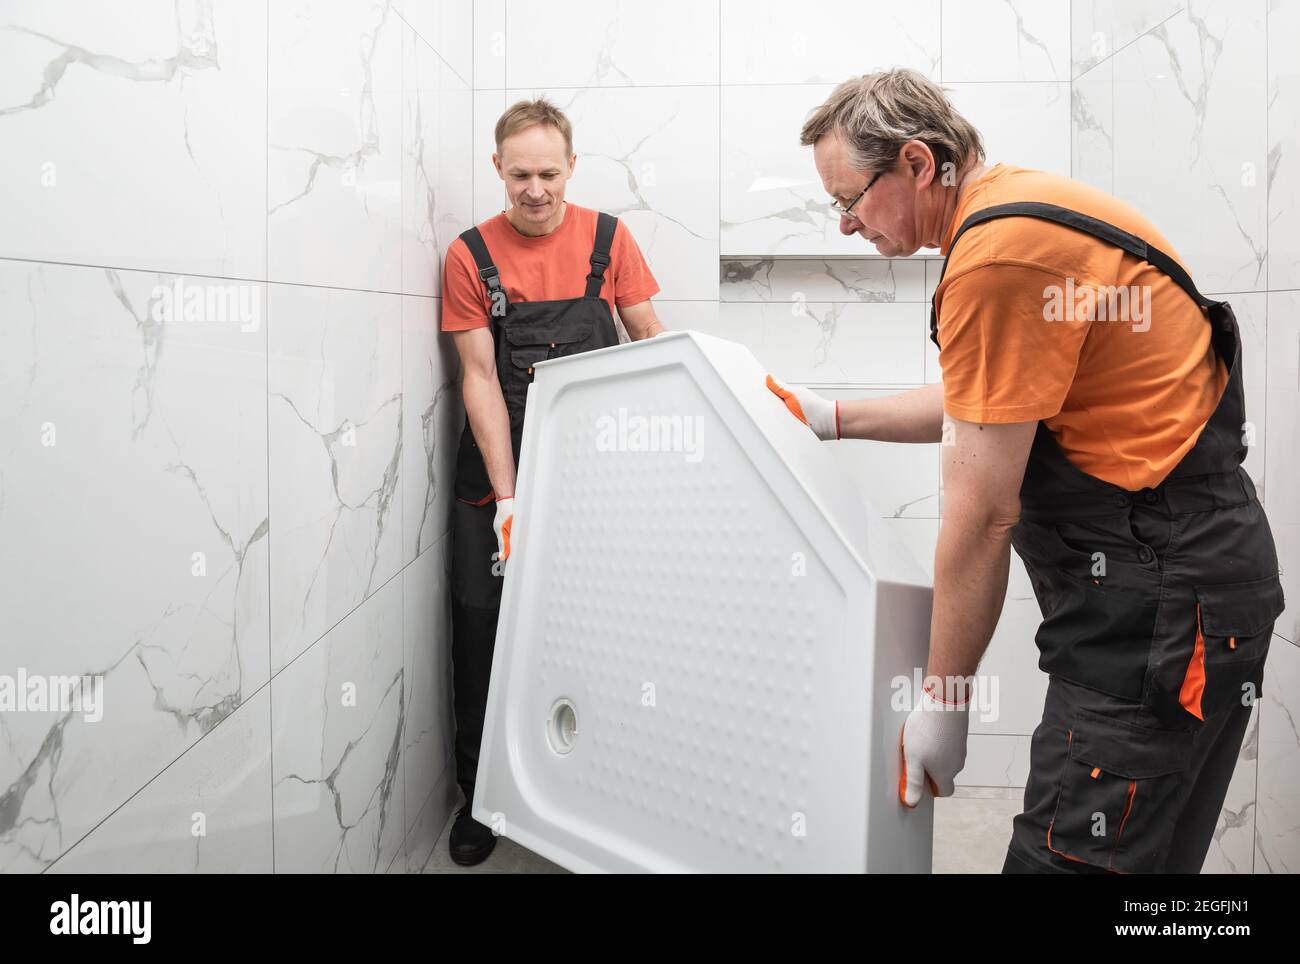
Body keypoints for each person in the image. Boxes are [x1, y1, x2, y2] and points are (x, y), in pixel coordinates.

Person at [769, 69, 1284, 873]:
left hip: (1160, 613)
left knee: (1070, 858)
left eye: (850, 201)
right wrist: (832, 417)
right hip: (1204, 587)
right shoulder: (1017, 209)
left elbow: (981, 513)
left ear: (914, 162)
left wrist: (944, 699)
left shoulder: (997, 258)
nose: (844, 226)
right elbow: (995, 401)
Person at [440, 97, 667, 866]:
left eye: (548, 173)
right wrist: (509, 501)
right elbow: (478, 380)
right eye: (518, 175)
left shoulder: (609, 238)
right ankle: (480, 802)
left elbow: (650, 348)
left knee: (598, 638)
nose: (534, 190)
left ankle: (595, 794)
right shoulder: (470, 254)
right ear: (496, 168)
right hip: (495, 485)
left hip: (595, 486)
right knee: (483, 636)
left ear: (571, 166)